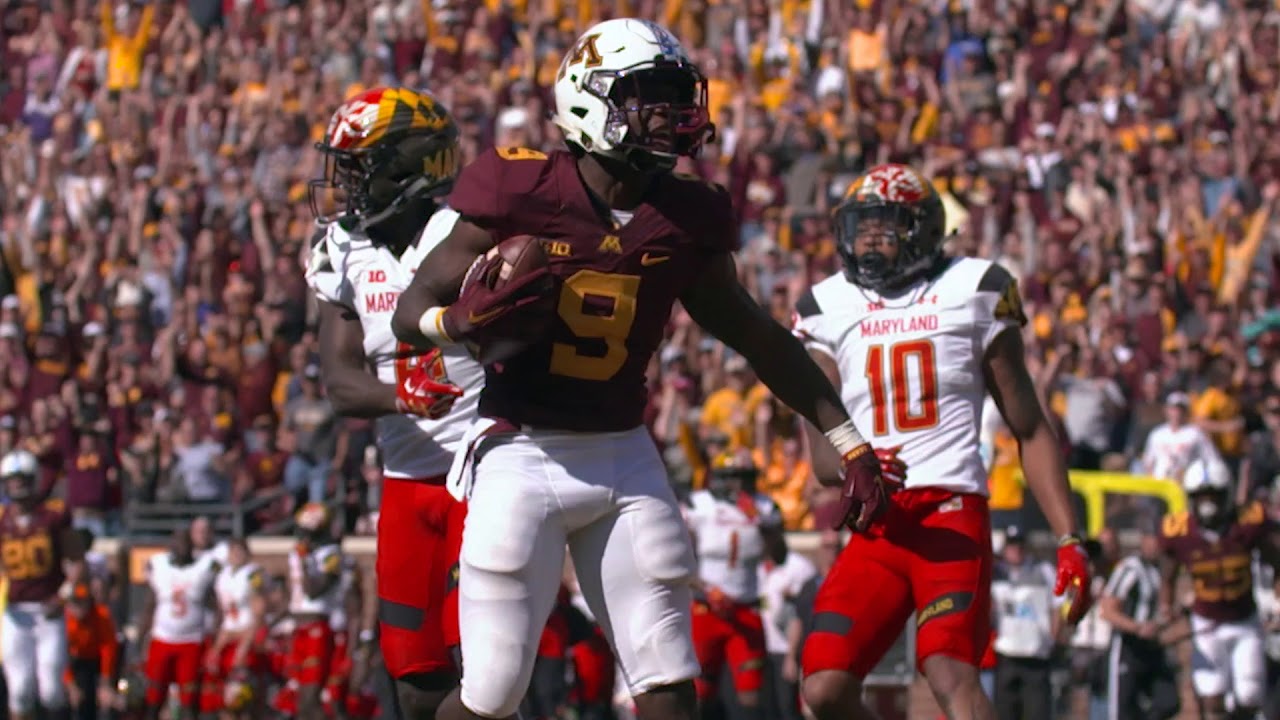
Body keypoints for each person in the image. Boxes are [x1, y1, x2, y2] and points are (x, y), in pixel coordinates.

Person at [391, 18, 892, 720]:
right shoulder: (518, 188)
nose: (670, 115)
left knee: (668, 688)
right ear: (589, 100)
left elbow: (756, 334)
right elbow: (410, 309)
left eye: (674, 97)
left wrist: (847, 439)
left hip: (623, 452)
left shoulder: (686, 214)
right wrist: (457, 326)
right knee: (494, 693)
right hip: (519, 448)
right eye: (647, 97)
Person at [790, 163, 1092, 720]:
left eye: (886, 226)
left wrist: (1069, 537)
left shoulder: (975, 287)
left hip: (950, 514)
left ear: (923, 229)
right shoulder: (825, 306)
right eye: (862, 226)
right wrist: (855, 463)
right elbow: (821, 449)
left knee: (948, 666)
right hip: (878, 525)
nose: (869, 240)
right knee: (824, 688)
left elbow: (1028, 425)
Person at [305, 85, 483, 720]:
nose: (344, 182)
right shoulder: (343, 248)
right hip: (405, 484)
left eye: (357, 167)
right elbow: (340, 382)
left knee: (484, 671)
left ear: (404, 168)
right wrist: (400, 396)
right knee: (414, 678)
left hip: (481, 475)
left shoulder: (467, 234)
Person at [1159, 457, 1280, 720]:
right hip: (1207, 622)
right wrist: (1166, 607)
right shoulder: (1180, 531)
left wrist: (1277, 599)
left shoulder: (1248, 522)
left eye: (1213, 496)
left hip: (1244, 620)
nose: (1208, 504)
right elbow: (1168, 575)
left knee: (1249, 696)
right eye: (1202, 497)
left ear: (1226, 494)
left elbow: (1276, 560)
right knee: (1212, 696)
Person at [683, 450, 787, 719]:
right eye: (734, 478)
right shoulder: (700, 505)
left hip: (746, 608)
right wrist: (703, 587)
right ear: (720, 479)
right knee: (700, 693)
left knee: (752, 696)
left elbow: (780, 556)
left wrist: (766, 526)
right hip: (707, 609)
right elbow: (679, 557)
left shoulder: (764, 507)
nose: (741, 486)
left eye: (746, 477)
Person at [0, 448, 85, 720]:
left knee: (51, 690)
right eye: (12, 480)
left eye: (22, 479)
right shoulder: (2, 521)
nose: (17, 486)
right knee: (20, 690)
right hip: (15, 613)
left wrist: (63, 595)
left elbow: (77, 560)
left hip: (49, 612)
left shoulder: (53, 518)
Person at [1098, 522, 1179, 720]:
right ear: (1143, 540)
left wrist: (1171, 615)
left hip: (1151, 648)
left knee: (1168, 700)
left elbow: (1159, 613)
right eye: (1151, 540)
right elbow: (1107, 611)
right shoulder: (1130, 569)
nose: (1155, 546)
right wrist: (1136, 627)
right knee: (1122, 710)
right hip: (1127, 647)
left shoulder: (1156, 571)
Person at [139, 528, 219, 720]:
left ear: (193, 544)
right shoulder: (159, 565)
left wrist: (214, 639)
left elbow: (216, 605)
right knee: (154, 697)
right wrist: (142, 636)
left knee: (189, 699)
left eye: (186, 541)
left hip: (191, 641)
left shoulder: (205, 567)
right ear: (171, 544)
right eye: (178, 541)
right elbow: (150, 604)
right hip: (162, 638)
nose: (182, 546)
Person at [989, 526, 1059, 720]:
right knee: (1004, 713)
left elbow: (1057, 608)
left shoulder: (1043, 571)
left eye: (1019, 546)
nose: (1016, 551)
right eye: (1011, 546)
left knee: (1036, 712)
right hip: (1006, 654)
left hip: (1036, 655)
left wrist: (1053, 639)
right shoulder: (996, 574)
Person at [286, 502, 347, 718]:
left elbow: (313, 590)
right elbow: (291, 592)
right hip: (297, 627)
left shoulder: (332, 555)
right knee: (299, 699)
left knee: (313, 696)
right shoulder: (297, 554)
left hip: (318, 628)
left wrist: (305, 561)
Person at [202, 537, 266, 719]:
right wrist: (216, 647)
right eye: (233, 550)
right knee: (224, 698)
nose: (236, 555)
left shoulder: (253, 574)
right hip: (228, 638)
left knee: (243, 696)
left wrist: (245, 645)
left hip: (246, 639)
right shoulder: (223, 576)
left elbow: (258, 614)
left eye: (240, 550)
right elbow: (225, 616)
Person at [64, 580, 118, 720]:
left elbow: (108, 649)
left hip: (95, 663)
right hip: (71, 663)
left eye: (82, 602)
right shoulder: (64, 620)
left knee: (94, 700)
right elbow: (61, 654)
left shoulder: (101, 615)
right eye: (75, 603)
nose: (78, 608)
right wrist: (70, 684)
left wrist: (105, 682)